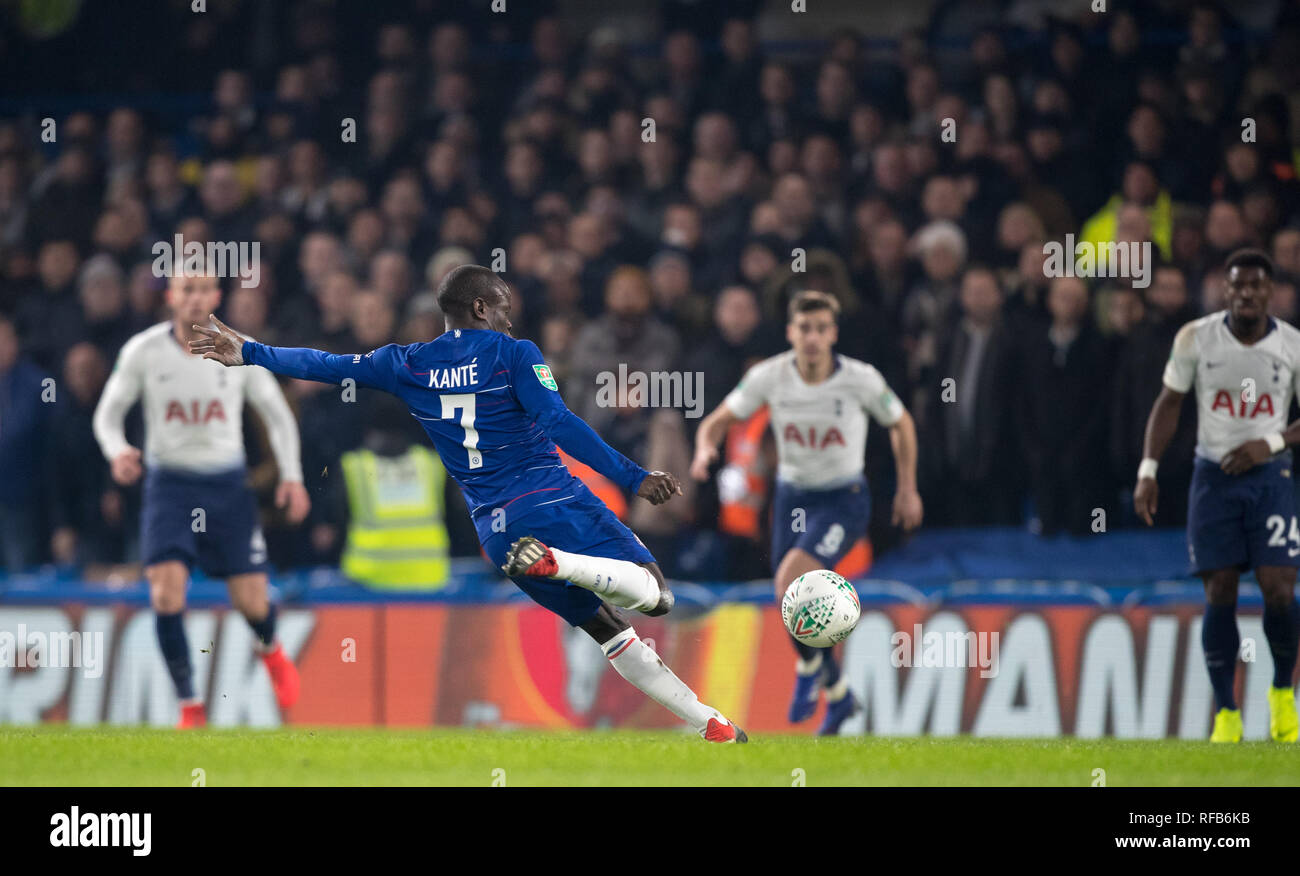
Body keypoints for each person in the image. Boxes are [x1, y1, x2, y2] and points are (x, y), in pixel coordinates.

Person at [189, 264, 749, 743]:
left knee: (609, 632)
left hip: (499, 533)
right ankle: (563, 564)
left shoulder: (407, 362)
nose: (510, 317)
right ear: (480, 308)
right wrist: (633, 476)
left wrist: (252, 353)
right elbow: (557, 421)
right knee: (656, 597)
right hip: (554, 501)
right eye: (503, 306)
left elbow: (329, 365)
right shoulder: (514, 354)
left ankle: (711, 725)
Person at [689, 289, 923, 734]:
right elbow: (716, 421)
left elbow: (902, 423)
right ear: (791, 333)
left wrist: (908, 487)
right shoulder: (770, 376)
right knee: (788, 598)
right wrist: (704, 452)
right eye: (805, 329)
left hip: (844, 499)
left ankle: (809, 674)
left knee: (789, 580)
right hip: (791, 498)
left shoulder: (861, 378)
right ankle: (837, 694)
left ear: (832, 333)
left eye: (821, 329)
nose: (813, 338)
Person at [93, 266, 311, 729]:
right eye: (186, 290)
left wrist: (292, 477)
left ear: (216, 295)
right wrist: (117, 452)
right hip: (169, 486)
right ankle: (189, 704)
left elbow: (277, 416)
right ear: (171, 296)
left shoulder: (238, 348)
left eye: (203, 289)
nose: (195, 299)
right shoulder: (143, 351)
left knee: (252, 602)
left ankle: (270, 649)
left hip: (227, 488)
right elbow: (108, 414)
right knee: (166, 593)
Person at [1135, 248, 1300, 743]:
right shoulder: (1195, 338)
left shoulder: (1292, 345)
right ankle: (1226, 713)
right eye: (1238, 286)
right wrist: (1148, 470)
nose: (1247, 294)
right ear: (1224, 290)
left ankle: (1280, 694)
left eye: (1256, 286)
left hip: (1271, 478)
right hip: (1212, 479)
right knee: (1220, 591)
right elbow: (1169, 403)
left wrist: (1267, 444)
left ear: (1270, 292)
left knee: (1279, 588)